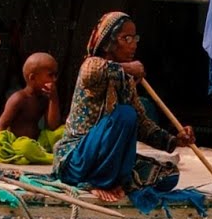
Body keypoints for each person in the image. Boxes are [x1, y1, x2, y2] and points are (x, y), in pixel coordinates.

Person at [52, 12, 195, 203]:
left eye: (135, 38)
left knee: (168, 175)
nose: (134, 43)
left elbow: (143, 125)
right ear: (108, 43)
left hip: (107, 160)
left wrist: (176, 140)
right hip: (78, 159)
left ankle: (112, 180)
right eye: (126, 38)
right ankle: (99, 182)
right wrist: (128, 68)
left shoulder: (126, 81)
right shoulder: (91, 65)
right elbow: (91, 71)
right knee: (124, 114)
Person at [0, 52, 65, 165]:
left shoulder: (44, 98)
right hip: (18, 145)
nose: (54, 80)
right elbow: (1, 126)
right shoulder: (18, 98)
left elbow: (52, 126)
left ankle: (41, 154)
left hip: (37, 142)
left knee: (63, 131)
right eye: (50, 75)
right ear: (32, 78)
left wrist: (53, 99)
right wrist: (4, 146)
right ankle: (50, 157)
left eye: (55, 75)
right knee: (26, 146)